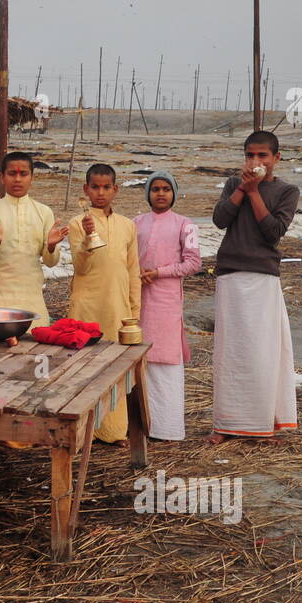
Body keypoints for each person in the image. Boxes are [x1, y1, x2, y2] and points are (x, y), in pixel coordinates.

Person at [207, 131, 300, 443]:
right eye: (250, 155)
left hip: (263, 276)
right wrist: (241, 191)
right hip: (230, 273)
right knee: (230, 353)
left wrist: (255, 192)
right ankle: (225, 424)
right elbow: (219, 220)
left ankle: (264, 422)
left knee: (262, 352)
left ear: (276, 158)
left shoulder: (287, 190)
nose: (255, 161)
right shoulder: (234, 184)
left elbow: (273, 232)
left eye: (262, 156)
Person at [68, 164, 140, 444]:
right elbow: (80, 266)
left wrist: (134, 311)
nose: (100, 192)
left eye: (106, 187)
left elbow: (133, 270)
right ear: (86, 190)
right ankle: (81, 430)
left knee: (114, 369)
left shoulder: (127, 226)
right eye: (95, 187)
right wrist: (87, 238)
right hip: (87, 305)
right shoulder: (78, 222)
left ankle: (111, 431)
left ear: (115, 190)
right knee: (83, 367)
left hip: (118, 308)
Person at [132, 171, 201, 442]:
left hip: (167, 300)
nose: (161, 193)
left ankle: (167, 428)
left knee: (166, 361)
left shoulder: (186, 225)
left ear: (174, 193)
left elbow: (194, 263)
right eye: (155, 189)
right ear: (147, 193)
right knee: (139, 358)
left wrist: (159, 272)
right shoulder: (135, 223)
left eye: (166, 189)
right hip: (138, 299)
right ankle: (139, 426)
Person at [0, 151, 65, 327]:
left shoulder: (43, 212)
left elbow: (51, 263)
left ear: (31, 177)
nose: (17, 179)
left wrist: (51, 247)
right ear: (2, 177)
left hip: (32, 297)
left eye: (23, 174)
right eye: (12, 174)